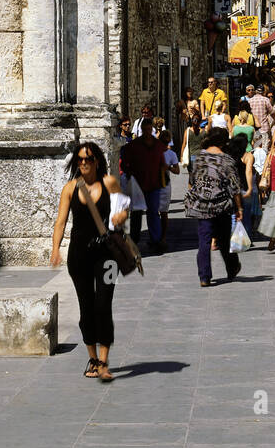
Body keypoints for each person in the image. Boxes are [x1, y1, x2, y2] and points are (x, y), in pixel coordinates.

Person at [50, 141, 130, 382]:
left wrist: (121, 215)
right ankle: (92, 358)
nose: (84, 163)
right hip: (79, 256)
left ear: (97, 161)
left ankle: (104, 361)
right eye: (80, 159)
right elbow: (61, 222)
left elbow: (124, 207)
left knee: (103, 306)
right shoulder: (70, 189)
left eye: (89, 159)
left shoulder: (109, 183)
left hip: (107, 256)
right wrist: (55, 249)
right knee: (86, 308)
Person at [185, 129, 244, 286]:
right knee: (224, 240)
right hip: (221, 206)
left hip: (202, 206)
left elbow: (192, 180)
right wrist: (239, 208)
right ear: (224, 142)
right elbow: (235, 187)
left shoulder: (199, 158)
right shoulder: (227, 160)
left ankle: (204, 276)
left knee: (204, 241)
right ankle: (232, 268)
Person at [119, 119, 167, 251]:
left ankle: (155, 240)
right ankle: (134, 239)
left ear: (151, 129)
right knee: (136, 213)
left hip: (154, 184)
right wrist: (129, 174)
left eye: (148, 129)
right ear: (141, 129)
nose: (147, 132)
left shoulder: (157, 145)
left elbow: (162, 162)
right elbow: (124, 161)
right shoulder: (134, 145)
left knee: (153, 213)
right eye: (144, 129)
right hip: (138, 185)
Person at [157, 127, 180, 245]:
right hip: (154, 184)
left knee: (164, 212)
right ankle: (156, 235)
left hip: (165, 184)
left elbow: (177, 170)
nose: (165, 144)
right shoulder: (154, 152)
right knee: (154, 212)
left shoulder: (171, 154)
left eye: (166, 142)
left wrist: (169, 167)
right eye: (163, 142)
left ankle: (163, 237)